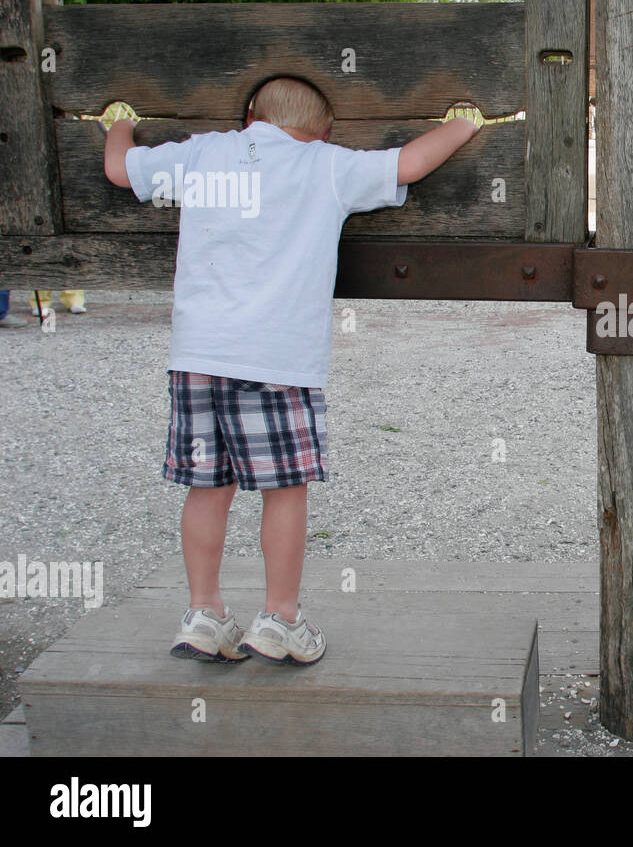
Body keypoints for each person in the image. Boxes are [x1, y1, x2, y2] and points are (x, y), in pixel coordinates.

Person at [104, 76, 479, 665]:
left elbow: (122, 171)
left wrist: (117, 120)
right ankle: (279, 618)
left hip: (198, 358)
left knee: (208, 489)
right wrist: (468, 121)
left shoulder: (202, 153)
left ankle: (204, 612)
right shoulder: (325, 164)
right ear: (326, 130)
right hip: (277, 360)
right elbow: (407, 165)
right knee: (284, 490)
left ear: (249, 112)